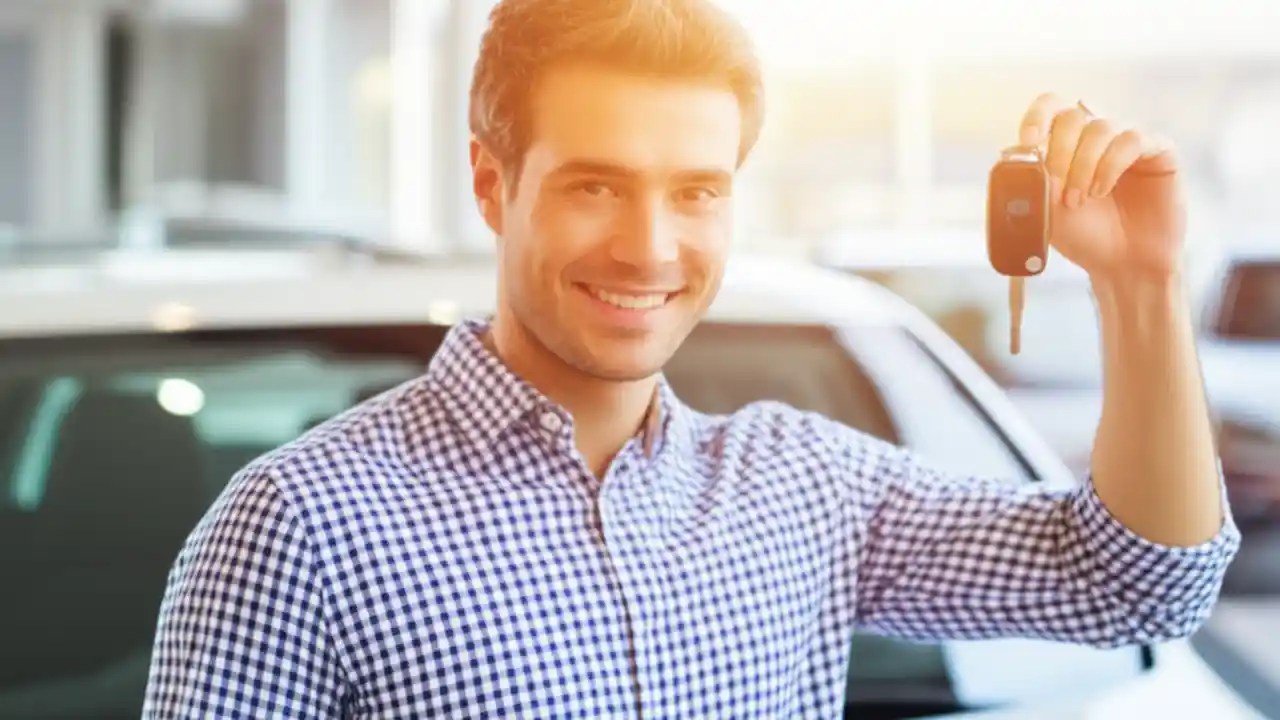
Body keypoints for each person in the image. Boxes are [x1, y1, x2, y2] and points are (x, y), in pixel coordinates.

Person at [143, 1, 1240, 717]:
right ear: (490, 185)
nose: (649, 247)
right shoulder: (299, 525)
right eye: (594, 185)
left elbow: (1134, 584)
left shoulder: (803, 487)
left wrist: (1136, 283)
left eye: (695, 192)